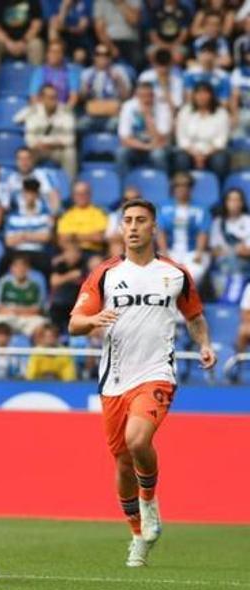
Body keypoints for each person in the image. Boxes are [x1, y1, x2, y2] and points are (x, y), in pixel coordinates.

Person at [69, 197, 217, 567]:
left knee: (139, 439)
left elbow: (194, 315)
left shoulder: (175, 274)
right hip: (114, 379)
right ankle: (138, 535)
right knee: (121, 463)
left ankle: (150, 504)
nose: (133, 227)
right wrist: (94, 320)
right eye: (127, 221)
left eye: (140, 221)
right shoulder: (105, 273)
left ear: (154, 228)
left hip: (156, 373)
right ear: (121, 229)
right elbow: (74, 323)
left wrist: (204, 344)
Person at [159, 172, 212, 281]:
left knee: (194, 273)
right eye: (178, 185)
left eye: (185, 185)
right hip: (170, 251)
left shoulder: (201, 208)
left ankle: (188, 298)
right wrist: (164, 253)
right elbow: (161, 231)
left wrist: (199, 253)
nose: (182, 188)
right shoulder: (164, 207)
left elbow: (203, 232)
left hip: (192, 252)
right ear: (173, 188)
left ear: (191, 188)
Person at [173, 81, 231, 177]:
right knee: (181, 159)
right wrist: (195, 154)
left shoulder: (221, 113)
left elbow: (221, 140)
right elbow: (182, 138)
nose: (202, 97)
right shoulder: (185, 111)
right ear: (194, 96)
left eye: (205, 93)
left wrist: (204, 155)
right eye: (198, 93)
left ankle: (219, 188)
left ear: (211, 96)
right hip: (189, 150)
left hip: (213, 151)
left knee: (220, 160)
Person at [117, 81, 173, 174]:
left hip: (157, 147)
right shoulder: (128, 106)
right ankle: (125, 186)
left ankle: (162, 185)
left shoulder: (163, 107)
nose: (146, 99)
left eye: (149, 95)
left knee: (158, 155)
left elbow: (161, 139)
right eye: (142, 96)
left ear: (153, 95)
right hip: (137, 146)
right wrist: (146, 147)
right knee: (121, 153)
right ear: (136, 96)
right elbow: (124, 139)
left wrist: (147, 116)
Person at [24, 84, 78, 179]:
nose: (54, 100)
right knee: (27, 153)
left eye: (55, 97)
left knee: (70, 153)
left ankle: (70, 187)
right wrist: (40, 144)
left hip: (58, 149)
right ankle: (26, 185)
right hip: (39, 149)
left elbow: (70, 140)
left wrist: (51, 144)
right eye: (50, 97)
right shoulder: (33, 112)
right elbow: (29, 140)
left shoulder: (66, 111)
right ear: (42, 99)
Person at [0, 254, 48, 336]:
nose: (20, 269)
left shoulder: (35, 286)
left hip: (28, 319)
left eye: (23, 266)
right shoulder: (5, 283)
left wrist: (17, 311)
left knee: (42, 325)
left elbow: (37, 310)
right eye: (16, 266)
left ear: (28, 269)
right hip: (8, 317)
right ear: (11, 269)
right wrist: (12, 312)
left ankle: (38, 348)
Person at [57, 181, 108, 257]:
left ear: (90, 194)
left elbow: (99, 238)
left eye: (84, 193)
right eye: (78, 194)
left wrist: (73, 236)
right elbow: (62, 239)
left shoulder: (99, 213)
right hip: (72, 250)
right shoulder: (66, 215)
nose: (81, 196)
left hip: (93, 252)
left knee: (95, 262)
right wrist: (88, 236)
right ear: (73, 196)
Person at [0, 0, 45, 66]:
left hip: (27, 42)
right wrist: (8, 42)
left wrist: (24, 41)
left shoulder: (33, 1)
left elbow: (37, 24)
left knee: (36, 44)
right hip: (6, 43)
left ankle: (36, 75)